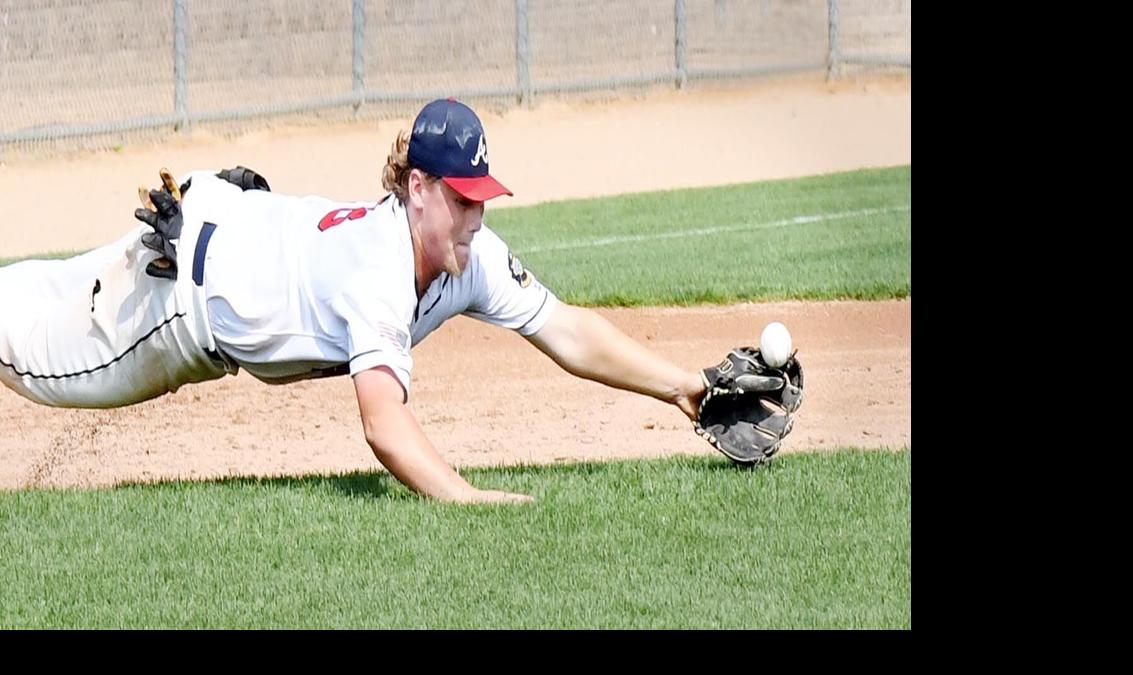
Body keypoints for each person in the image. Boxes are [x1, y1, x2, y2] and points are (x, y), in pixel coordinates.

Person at [1, 98, 708, 505]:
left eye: (482, 201)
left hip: (218, 222)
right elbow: (383, 424)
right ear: (419, 188)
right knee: (23, 351)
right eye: (463, 200)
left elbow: (568, 330)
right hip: (172, 300)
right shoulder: (380, 271)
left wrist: (685, 388)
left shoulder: (468, 255)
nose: (476, 218)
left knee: (26, 291)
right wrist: (467, 499)